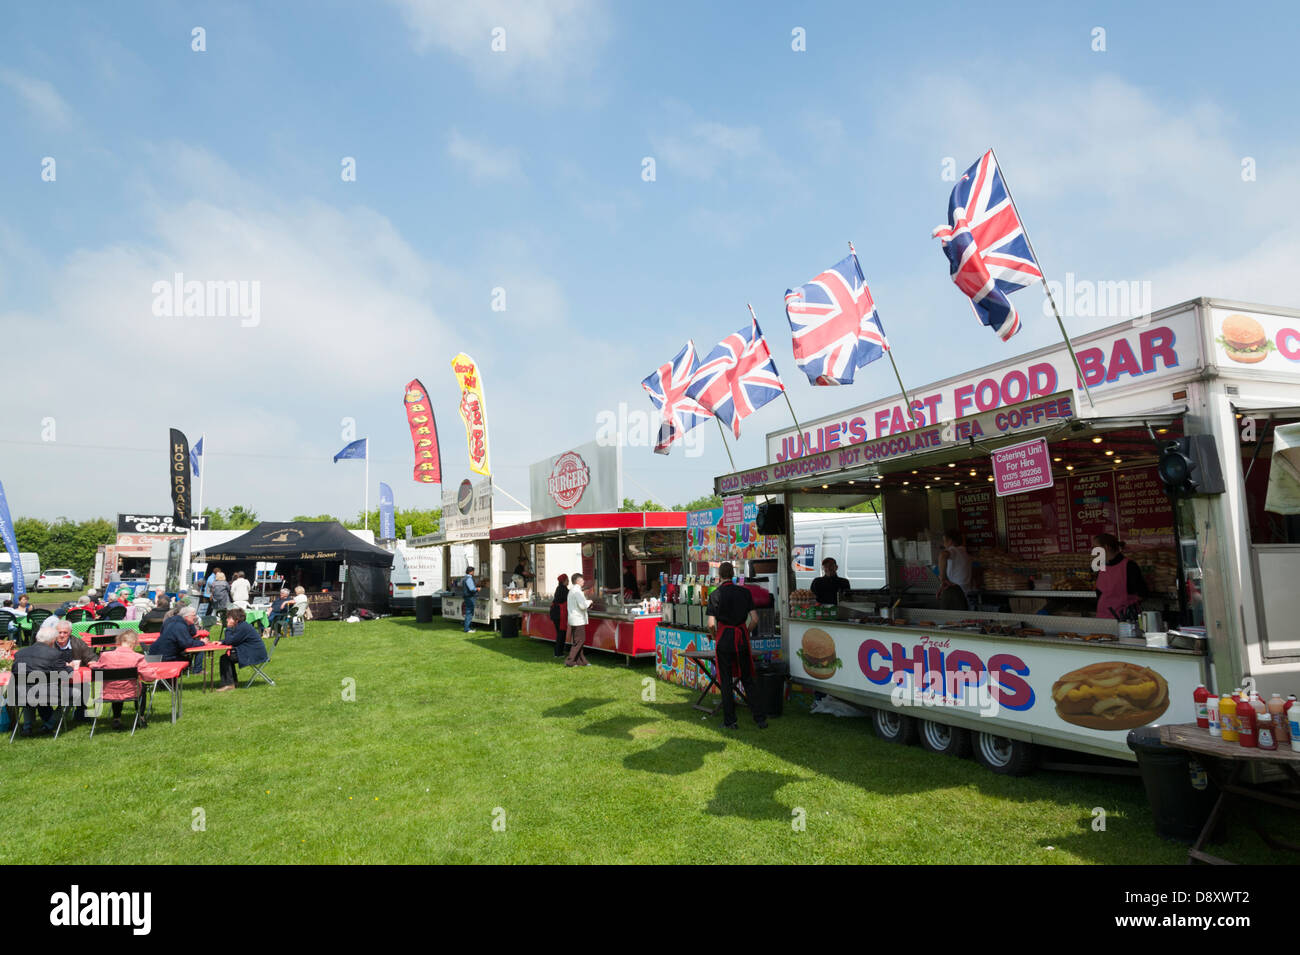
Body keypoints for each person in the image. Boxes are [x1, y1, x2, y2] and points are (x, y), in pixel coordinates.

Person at [706, 561, 768, 730]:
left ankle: (730, 721)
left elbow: (711, 624)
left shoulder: (715, 595)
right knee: (748, 679)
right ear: (733, 574)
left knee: (725, 681)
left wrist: (714, 637)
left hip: (724, 639)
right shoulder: (744, 592)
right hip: (741, 638)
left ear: (719, 576)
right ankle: (760, 718)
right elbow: (755, 619)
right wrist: (746, 631)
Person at [12, 628, 72, 736]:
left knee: (27, 691)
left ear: (37, 638)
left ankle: (27, 727)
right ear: (53, 640)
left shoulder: (19, 653)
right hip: (47, 695)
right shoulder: (55, 654)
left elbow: (14, 672)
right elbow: (64, 675)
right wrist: (70, 668)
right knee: (73, 695)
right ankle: (48, 725)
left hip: (20, 694)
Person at [95, 632, 144, 729]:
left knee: (116, 684)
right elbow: (149, 677)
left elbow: (96, 668)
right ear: (133, 642)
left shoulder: (105, 656)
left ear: (118, 642)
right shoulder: (138, 657)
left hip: (107, 692)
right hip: (131, 692)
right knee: (142, 687)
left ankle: (116, 718)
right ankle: (141, 717)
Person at [1093, 533, 1147, 621]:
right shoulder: (1102, 568)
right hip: (1103, 619)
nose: (1093, 551)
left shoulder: (1129, 566)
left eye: (1095, 547)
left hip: (1125, 621)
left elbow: (1142, 593)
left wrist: (1126, 607)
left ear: (1106, 547)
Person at [215, 607, 268, 692]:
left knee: (225, 658)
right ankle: (232, 682)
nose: (227, 620)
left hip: (254, 654)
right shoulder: (242, 625)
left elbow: (230, 641)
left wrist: (227, 628)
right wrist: (222, 642)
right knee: (226, 657)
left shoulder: (242, 627)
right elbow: (235, 639)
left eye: (229, 618)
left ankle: (229, 684)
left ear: (236, 619)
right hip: (253, 651)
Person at [938, 530, 973, 610]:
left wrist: (943, 578)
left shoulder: (954, 550)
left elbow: (942, 555)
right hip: (964, 595)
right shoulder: (965, 553)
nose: (944, 544)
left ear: (950, 541)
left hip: (955, 595)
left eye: (944, 541)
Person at [565, 572, 593, 667]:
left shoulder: (573, 590)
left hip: (574, 619)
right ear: (578, 581)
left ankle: (581, 661)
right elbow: (582, 605)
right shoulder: (577, 591)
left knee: (578, 640)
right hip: (578, 619)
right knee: (579, 640)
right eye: (582, 580)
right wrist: (589, 601)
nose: (583, 581)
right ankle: (570, 660)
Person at [549, 574, 570, 658]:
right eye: (567, 580)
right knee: (561, 634)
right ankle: (558, 653)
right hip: (559, 614)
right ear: (564, 581)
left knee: (559, 633)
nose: (568, 581)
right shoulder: (564, 589)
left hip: (555, 613)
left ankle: (558, 651)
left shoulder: (559, 588)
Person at [461, 566, 478, 633]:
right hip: (470, 597)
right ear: (471, 572)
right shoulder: (469, 578)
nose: (474, 573)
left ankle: (467, 626)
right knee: (469, 612)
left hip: (466, 596)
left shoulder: (464, 578)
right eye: (473, 571)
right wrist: (477, 589)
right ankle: (467, 628)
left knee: (468, 612)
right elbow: (472, 589)